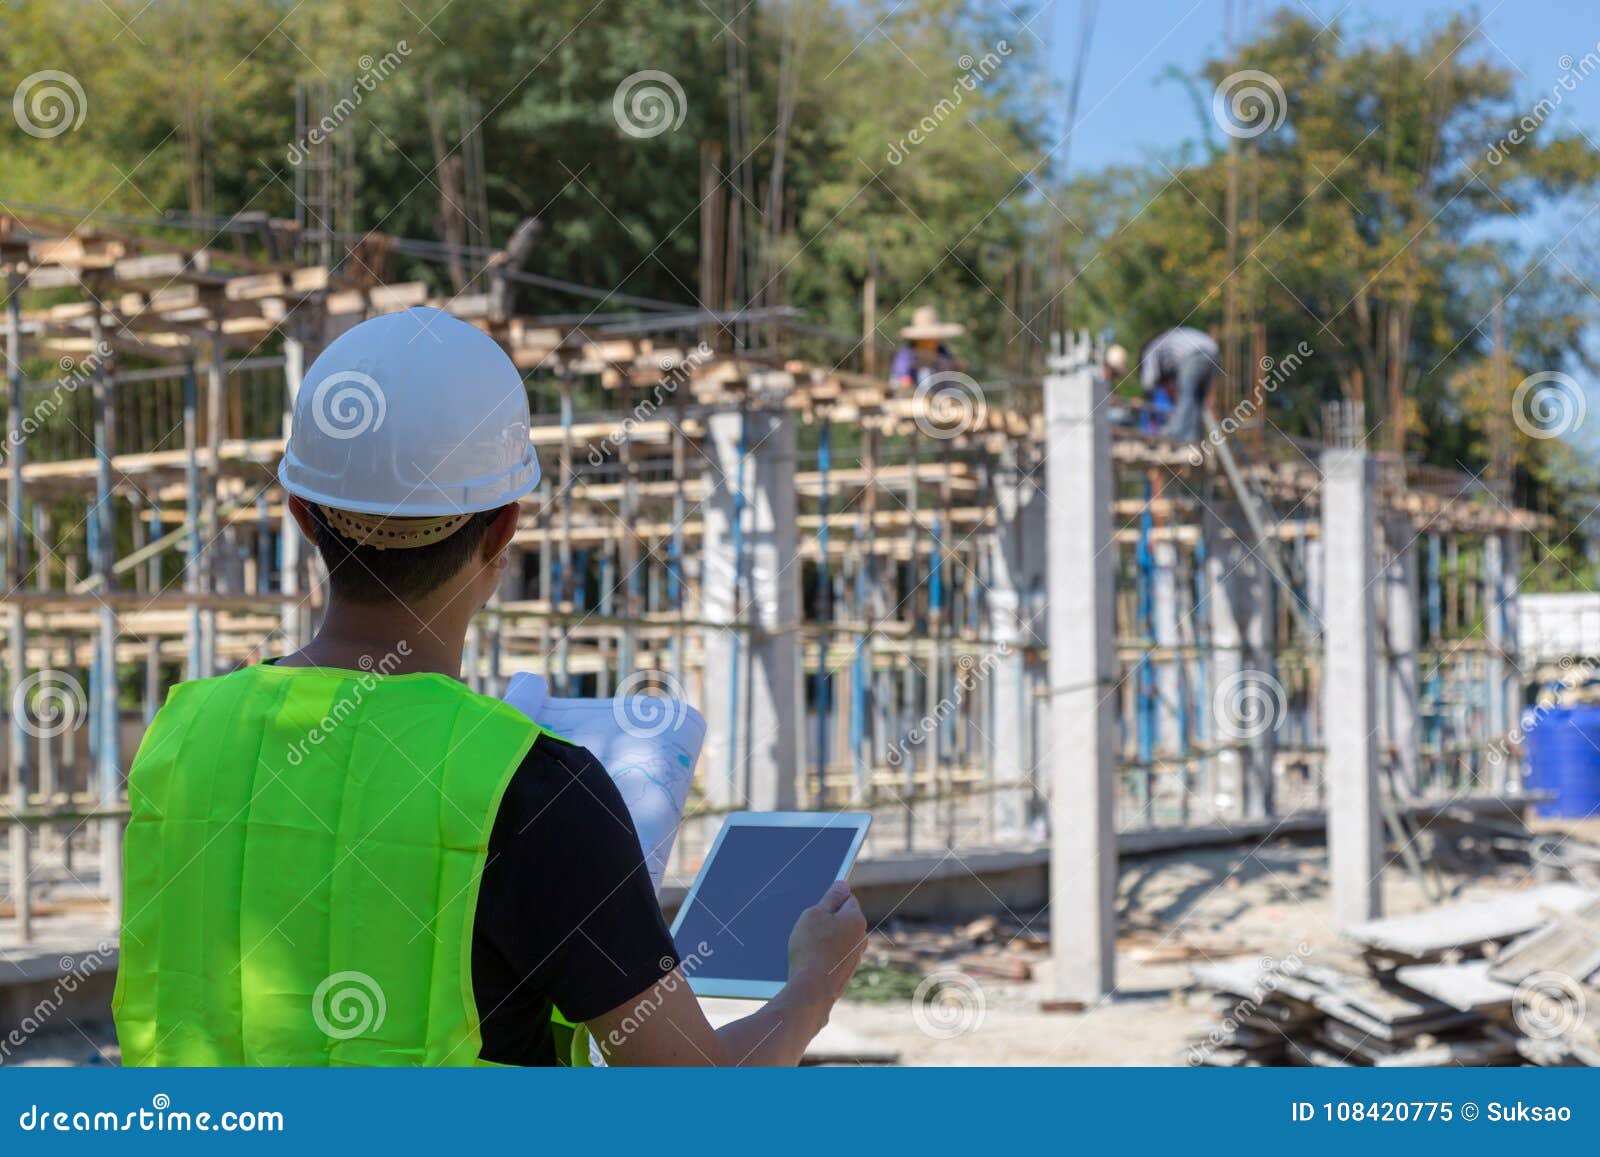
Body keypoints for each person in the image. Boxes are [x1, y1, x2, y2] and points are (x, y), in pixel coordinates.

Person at [111, 306, 867, 1067]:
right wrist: (813, 986)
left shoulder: (181, 737)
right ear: (505, 528)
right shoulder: (535, 790)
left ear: (303, 515)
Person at [1139, 325, 1219, 443]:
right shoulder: (1168, 345)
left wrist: (1147, 400)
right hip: (1212, 352)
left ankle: (1175, 437)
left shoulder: (1151, 349)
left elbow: (1148, 382)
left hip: (1195, 353)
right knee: (1197, 400)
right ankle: (1193, 439)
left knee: (1186, 395)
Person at [889, 304, 964, 388]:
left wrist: (956, 365)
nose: (929, 341)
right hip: (911, 391)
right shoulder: (907, 353)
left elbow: (951, 363)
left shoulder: (941, 351)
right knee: (925, 372)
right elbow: (901, 374)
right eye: (925, 339)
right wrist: (906, 380)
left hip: (939, 390)